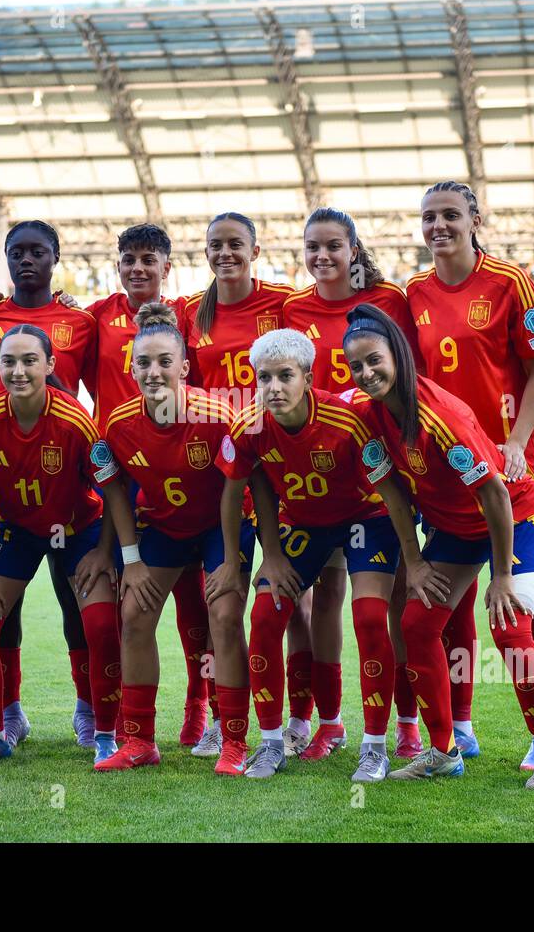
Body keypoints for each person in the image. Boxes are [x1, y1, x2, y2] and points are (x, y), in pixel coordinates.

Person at [342, 304, 534, 789]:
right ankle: (443, 751)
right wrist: (416, 562)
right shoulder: (368, 418)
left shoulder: (440, 415)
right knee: (418, 624)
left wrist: (502, 575)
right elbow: (393, 496)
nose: (365, 374)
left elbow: (495, 494)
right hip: (455, 530)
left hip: (516, 515)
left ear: (398, 356)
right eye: (356, 366)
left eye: (373, 361)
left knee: (509, 627)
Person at [405, 180, 534, 772]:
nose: (439, 226)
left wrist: (518, 442)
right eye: (429, 217)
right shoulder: (414, 292)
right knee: (456, 600)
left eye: (451, 214)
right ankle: (457, 734)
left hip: (512, 460)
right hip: (449, 470)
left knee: (533, 600)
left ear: (475, 219)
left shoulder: (510, 281)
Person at [213, 329, 404, 782]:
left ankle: (375, 746)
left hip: (366, 517)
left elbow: (393, 495)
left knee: (371, 619)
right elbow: (239, 489)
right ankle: (273, 742)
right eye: (264, 378)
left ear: (308, 377)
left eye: (285, 376)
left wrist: (412, 562)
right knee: (264, 616)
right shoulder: (249, 426)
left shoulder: (347, 421)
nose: (274, 387)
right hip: (302, 523)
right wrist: (268, 556)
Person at [281, 207, 426, 760]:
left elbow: (413, 378)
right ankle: (331, 723)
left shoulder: (389, 301)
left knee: (393, 603)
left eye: (333, 246)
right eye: (312, 247)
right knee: (325, 600)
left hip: (382, 479)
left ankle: (408, 723)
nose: (322, 256)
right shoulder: (293, 308)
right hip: (322, 484)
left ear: (353, 248)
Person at [89, 302, 246, 772]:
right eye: (144, 362)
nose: (153, 371)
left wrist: (234, 557)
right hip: (165, 529)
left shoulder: (219, 414)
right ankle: (139, 741)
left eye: (164, 362)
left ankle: (234, 740)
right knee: (134, 613)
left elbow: (247, 484)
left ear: (183, 366)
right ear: (131, 367)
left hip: (220, 529)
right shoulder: (117, 424)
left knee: (224, 614)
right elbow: (114, 488)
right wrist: (130, 558)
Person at [0, 325, 122, 767]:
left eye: (30, 360)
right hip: (17, 531)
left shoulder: (75, 420)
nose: (18, 370)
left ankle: (106, 732)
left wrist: (106, 552)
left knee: (102, 625)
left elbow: (113, 491)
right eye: (9, 361)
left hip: (77, 530)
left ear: (49, 365)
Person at [0, 220, 100, 748]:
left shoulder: (80, 321)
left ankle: (89, 714)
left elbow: (100, 389)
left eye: (38, 252)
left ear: (55, 257)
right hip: (5, 484)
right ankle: (9, 713)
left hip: (69, 484)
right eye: (17, 252)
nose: (27, 260)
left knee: (78, 604)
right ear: (5, 258)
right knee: (2, 607)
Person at [84, 224, 218, 749]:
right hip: (127, 470)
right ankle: (118, 724)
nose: (137, 268)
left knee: (199, 606)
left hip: (184, 464)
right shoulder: (93, 314)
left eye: (149, 260)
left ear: (167, 266)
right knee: (131, 598)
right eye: (128, 259)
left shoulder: (188, 315)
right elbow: (48, 326)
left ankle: (199, 706)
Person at [182, 212, 302, 758]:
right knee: (220, 605)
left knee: (295, 605)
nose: (224, 253)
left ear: (255, 251)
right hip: (222, 477)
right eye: (215, 245)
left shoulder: (283, 305)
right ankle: (221, 719)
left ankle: (305, 720)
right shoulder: (191, 313)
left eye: (235, 245)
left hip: (279, 473)